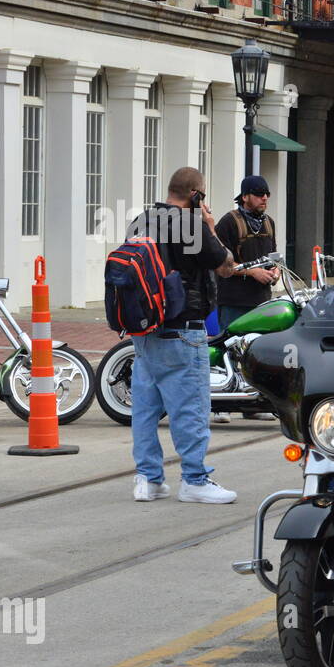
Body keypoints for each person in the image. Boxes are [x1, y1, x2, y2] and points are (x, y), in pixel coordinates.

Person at [126, 167, 239, 504]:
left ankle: (148, 479)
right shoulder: (190, 225)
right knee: (190, 405)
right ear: (196, 195)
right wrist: (209, 226)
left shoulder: (141, 221)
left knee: (146, 406)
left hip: (145, 330)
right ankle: (194, 479)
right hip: (183, 328)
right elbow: (227, 265)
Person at [212, 175, 279, 423]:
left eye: (267, 194)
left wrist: (275, 271)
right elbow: (221, 265)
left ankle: (252, 404)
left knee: (256, 353)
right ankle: (220, 405)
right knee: (226, 349)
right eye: (260, 193)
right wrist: (252, 272)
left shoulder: (269, 223)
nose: (265, 198)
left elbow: (274, 256)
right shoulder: (229, 223)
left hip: (261, 300)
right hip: (233, 299)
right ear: (245, 196)